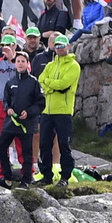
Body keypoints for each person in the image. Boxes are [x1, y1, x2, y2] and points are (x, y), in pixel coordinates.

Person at [0, 46, 44, 185]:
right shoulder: (10, 82)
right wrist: (8, 109)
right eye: (18, 61)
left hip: (27, 124)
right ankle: (7, 178)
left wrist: (29, 113)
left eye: (23, 61)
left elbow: (40, 103)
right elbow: (5, 100)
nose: (20, 63)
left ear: (27, 63)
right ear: (15, 63)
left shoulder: (34, 82)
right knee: (0, 147)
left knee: (27, 153)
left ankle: (26, 180)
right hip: (11, 122)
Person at [36, 34, 78, 184]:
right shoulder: (50, 65)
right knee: (44, 144)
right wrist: (51, 86)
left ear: (68, 46)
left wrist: (49, 85)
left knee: (64, 145)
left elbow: (63, 85)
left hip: (63, 111)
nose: (59, 48)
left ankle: (65, 177)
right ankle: (46, 176)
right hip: (47, 110)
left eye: (62, 45)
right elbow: (41, 80)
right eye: (57, 46)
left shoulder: (74, 66)